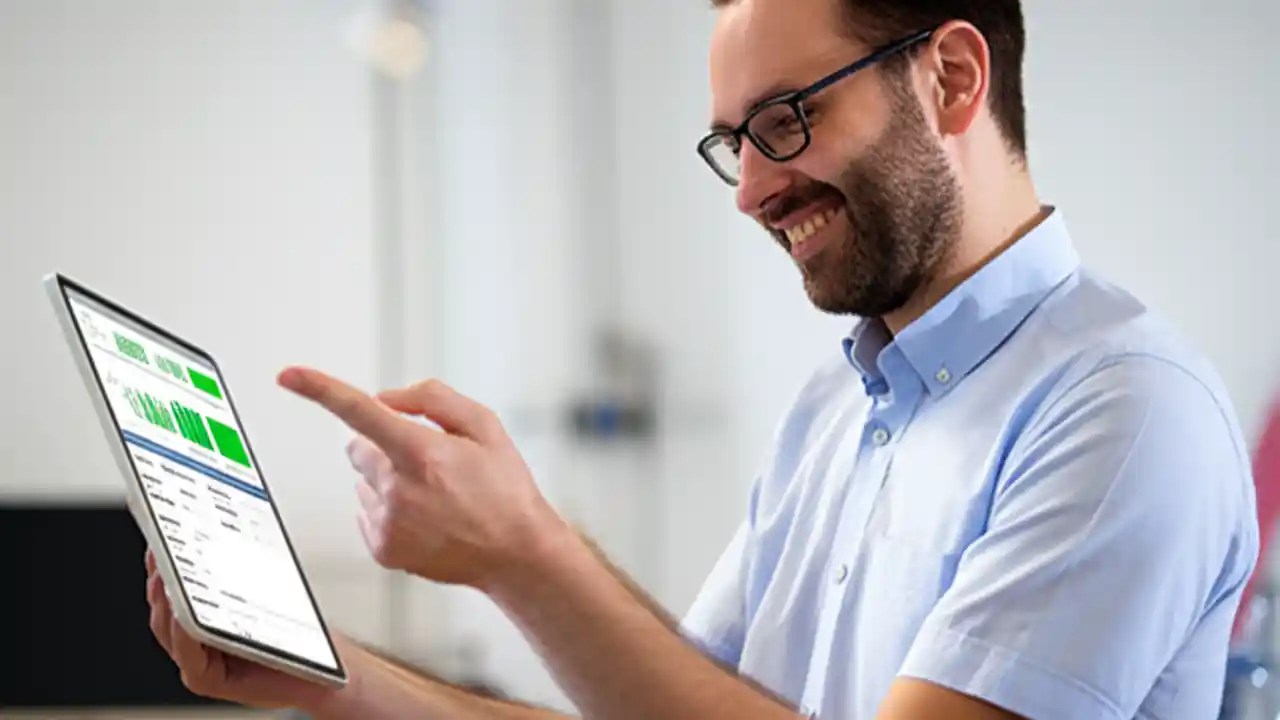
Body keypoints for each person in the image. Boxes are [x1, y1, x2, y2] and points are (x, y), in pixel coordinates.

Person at [143, 0, 1260, 717]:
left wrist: (525, 553)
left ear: (952, 79)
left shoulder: (1120, 413)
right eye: (733, 141)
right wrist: (329, 679)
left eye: (784, 119)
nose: (749, 190)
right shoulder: (839, 403)